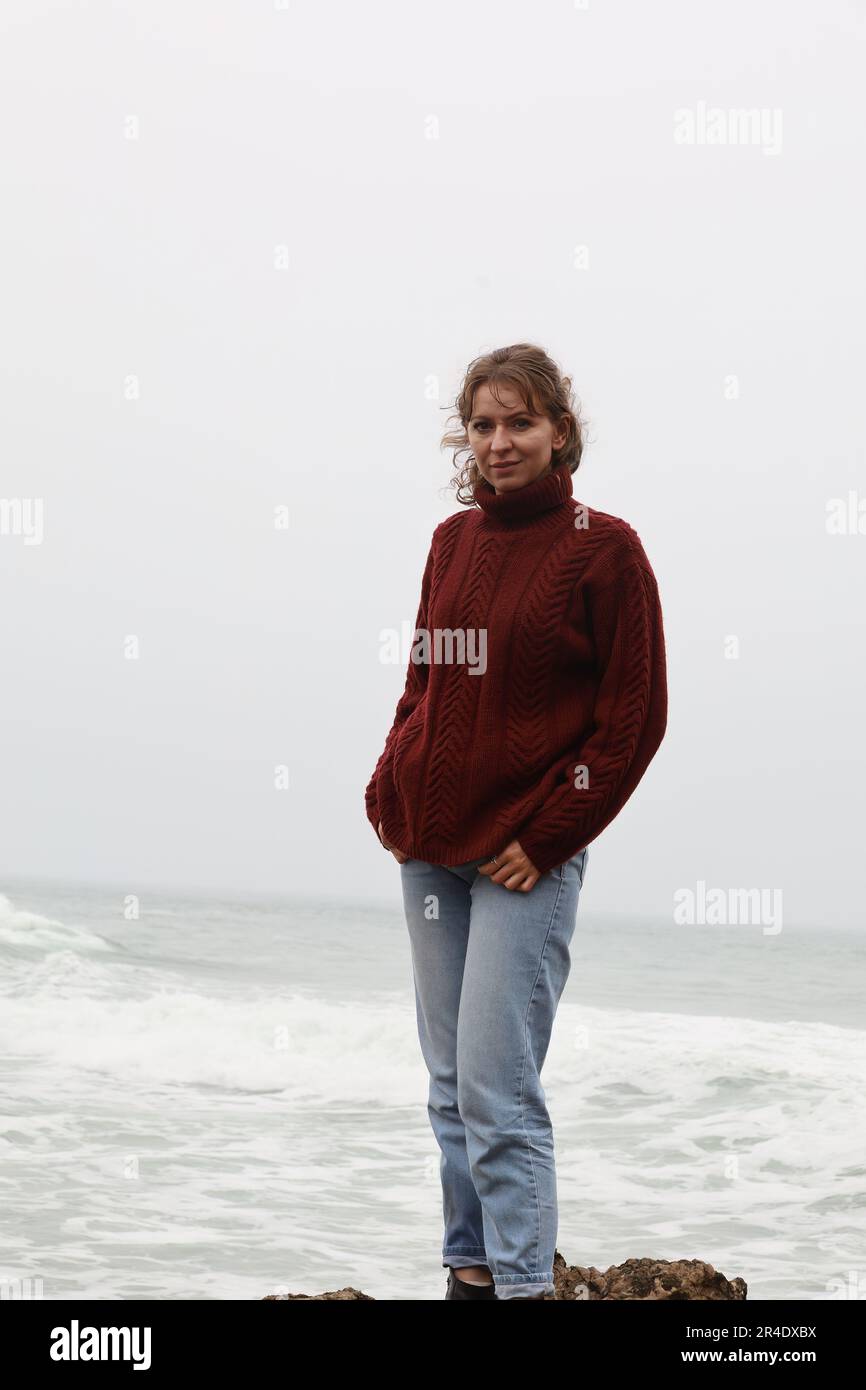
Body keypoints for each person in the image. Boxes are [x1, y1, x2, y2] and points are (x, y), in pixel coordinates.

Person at [364, 343, 668, 1300]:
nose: (500, 443)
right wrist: (390, 781)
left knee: (500, 1093)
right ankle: (468, 1272)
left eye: (520, 423)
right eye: (484, 425)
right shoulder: (452, 542)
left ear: (559, 431)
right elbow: (425, 675)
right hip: (428, 848)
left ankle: (525, 1287)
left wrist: (545, 837)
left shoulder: (603, 547)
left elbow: (634, 719)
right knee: (450, 1089)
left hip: (523, 860)